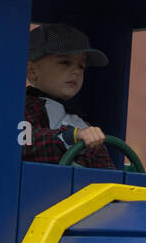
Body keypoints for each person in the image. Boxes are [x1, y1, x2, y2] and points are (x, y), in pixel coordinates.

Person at [23, 23, 116, 169]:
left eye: (81, 66)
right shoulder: (23, 107)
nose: (77, 71)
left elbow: (106, 170)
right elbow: (24, 142)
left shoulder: (81, 123)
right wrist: (70, 136)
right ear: (32, 71)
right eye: (65, 62)